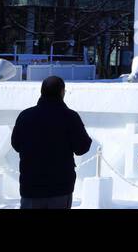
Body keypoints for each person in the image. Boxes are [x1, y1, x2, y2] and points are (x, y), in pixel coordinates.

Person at [10, 75, 92, 209]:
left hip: (31, 185)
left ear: (42, 92)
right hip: (60, 187)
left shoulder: (25, 116)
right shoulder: (70, 116)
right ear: (62, 92)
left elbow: (16, 144)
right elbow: (82, 148)